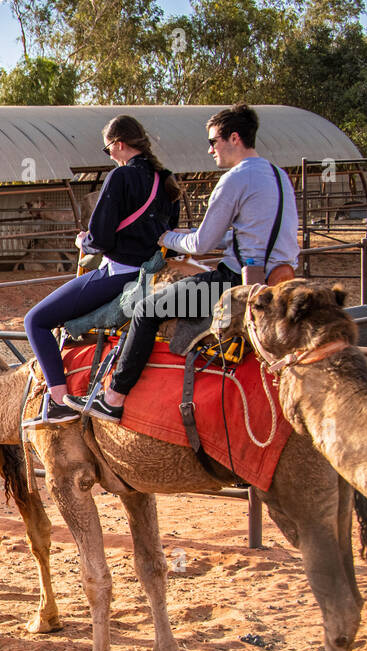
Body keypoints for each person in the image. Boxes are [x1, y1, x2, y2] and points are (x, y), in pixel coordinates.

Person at [70, 103, 300, 422]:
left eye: (212, 141)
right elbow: (243, 235)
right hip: (282, 278)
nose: (209, 150)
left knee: (146, 310)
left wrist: (168, 238)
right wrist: (186, 234)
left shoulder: (234, 179)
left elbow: (203, 244)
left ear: (233, 137)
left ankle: (113, 398)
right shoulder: (278, 176)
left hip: (236, 282)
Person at [21, 115, 181, 427]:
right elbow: (169, 237)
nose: (109, 156)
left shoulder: (120, 178)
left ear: (119, 145)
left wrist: (86, 241)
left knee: (35, 321)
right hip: (151, 272)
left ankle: (58, 401)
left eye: (107, 150)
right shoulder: (165, 180)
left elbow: (102, 237)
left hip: (119, 273)